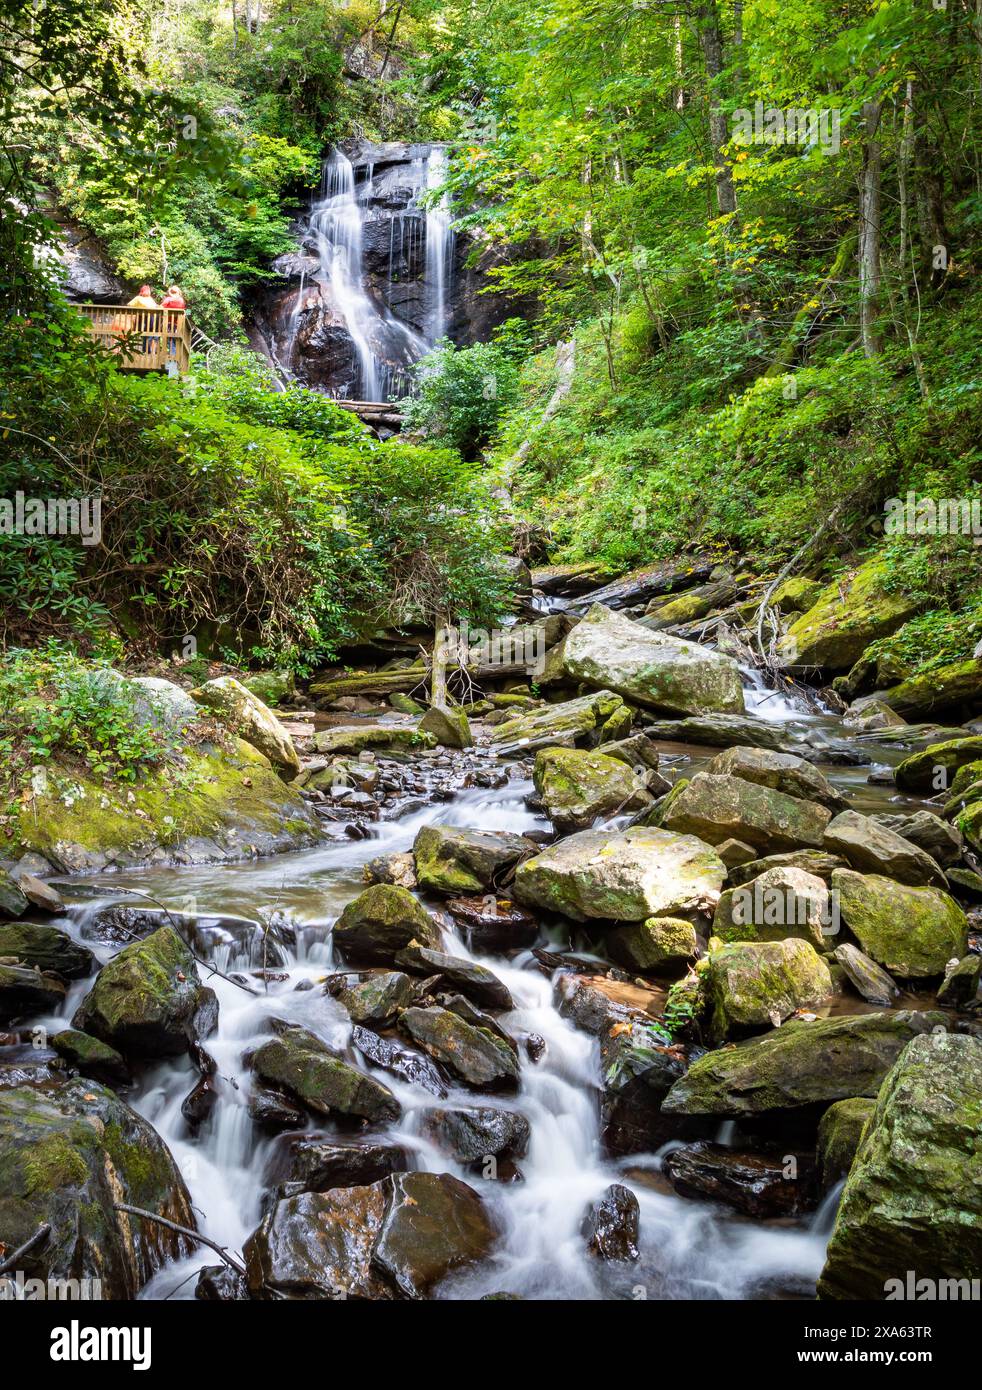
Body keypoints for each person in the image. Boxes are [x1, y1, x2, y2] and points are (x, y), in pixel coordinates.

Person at [126, 285, 159, 357]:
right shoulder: (138, 298)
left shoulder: (150, 298)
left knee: (150, 334)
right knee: (144, 333)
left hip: (151, 318)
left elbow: (155, 306)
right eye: (146, 290)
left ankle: (148, 351)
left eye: (148, 290)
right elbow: (129, 305)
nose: (148, 292)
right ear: (142, 291)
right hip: (142, 318)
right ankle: (145, 351)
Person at [160, 285, 186, 363]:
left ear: (170, 292)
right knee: (174, 340)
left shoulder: (169, 299)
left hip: (168, 323)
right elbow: (183, 309)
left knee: (169, 340)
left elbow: (161, 307)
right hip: (177, 324)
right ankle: (175, 355)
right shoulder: (181, 300)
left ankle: (173, 355)